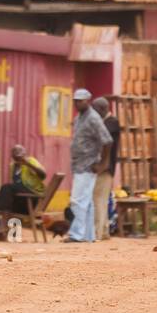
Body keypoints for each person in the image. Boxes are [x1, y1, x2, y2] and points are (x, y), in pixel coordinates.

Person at [65, 88, 113, 243]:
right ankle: (88, 235)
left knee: (77, 200)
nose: (77, 103)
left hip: (88, 164)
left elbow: (107, 141)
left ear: (88, 100)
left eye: (81, 101)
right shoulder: (79, 117)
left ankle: (76, 234)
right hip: (79, 164)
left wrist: (103, 163)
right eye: (75, 101)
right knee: (87, 201)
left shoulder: (93, 118)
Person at [0, 145, 47, 235]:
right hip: (19, 202)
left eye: (20, 153)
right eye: (15, 153)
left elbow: (43, 175)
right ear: (12, 156)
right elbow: (14, 186)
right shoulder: (13, 166)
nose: (18, 155)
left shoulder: (31, 161)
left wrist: (27, 163)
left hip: (31, 201)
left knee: (7, 187)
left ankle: (4, 223)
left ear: (25, 154)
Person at [91, 97, 121, 240]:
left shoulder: (112, 123)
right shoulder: (105, 123)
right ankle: (103, 231)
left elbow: (102, 137)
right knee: (100, 200)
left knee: (98, 200)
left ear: (103, 109)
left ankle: (97, 232)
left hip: (105, 168)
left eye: (95, 109)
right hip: (102, 167)